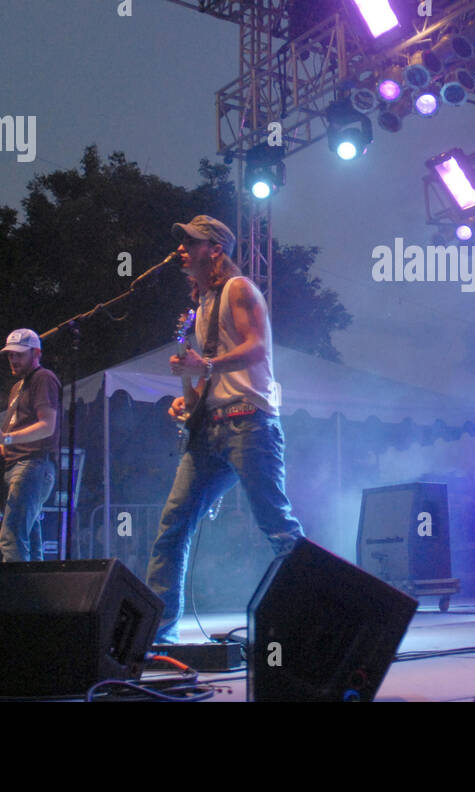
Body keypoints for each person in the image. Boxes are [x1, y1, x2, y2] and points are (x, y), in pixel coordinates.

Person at [146, 214, 303, 643]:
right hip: (211, 427)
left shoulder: (238, 288)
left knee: (276, 523)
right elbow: (212, 374)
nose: (181, 249)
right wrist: (190, 397)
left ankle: (314, 618)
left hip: (248, 424)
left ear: (214, 249)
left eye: (191, 242)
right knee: (173, 525)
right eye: (181, 242)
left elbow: (256, 348)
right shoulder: (202, 307)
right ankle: (159, 632)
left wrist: (208, 365)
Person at [0, 328, 60, 560]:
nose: (14, 359)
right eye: (10, 354)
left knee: (10, 538)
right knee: (28, 538)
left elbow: (47, 426)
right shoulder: (16, 388)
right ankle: (37, 592)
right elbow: (10, 432)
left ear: (36, 353)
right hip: (17, 466)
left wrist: (6, 438)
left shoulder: (43, 378)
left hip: (32, 465)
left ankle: (15, 593)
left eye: (19, 354)